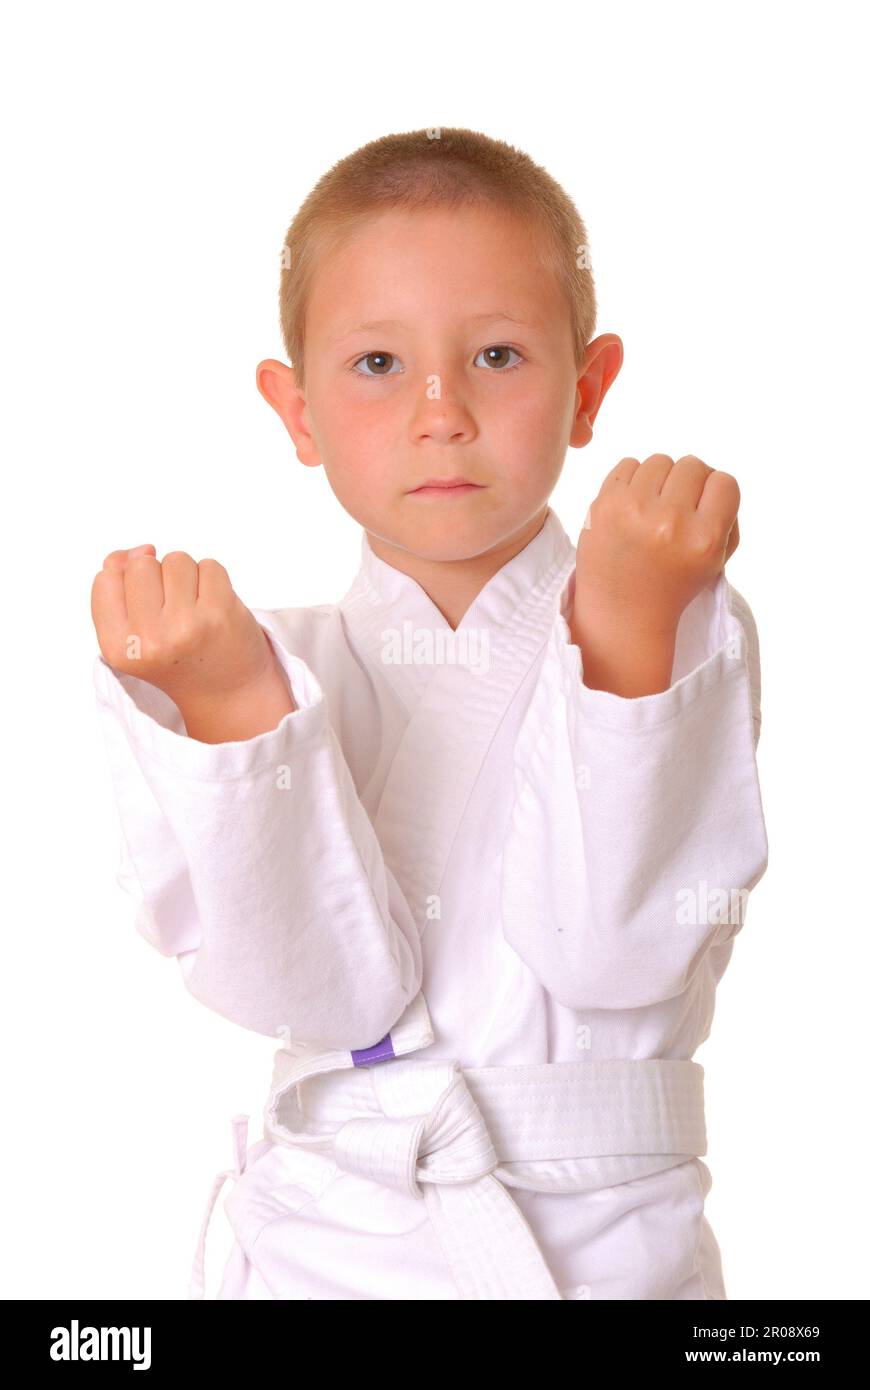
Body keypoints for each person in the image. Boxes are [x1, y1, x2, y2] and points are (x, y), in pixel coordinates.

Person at [90, 126, 768, 1300]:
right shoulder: (264, 661)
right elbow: (321, 995)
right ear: (296, 414)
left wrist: (625, 628)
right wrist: (243, 726)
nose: (441, 410)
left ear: (587, 388)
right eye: (377, 366)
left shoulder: (681, 615)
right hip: (332, 1240)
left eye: (499, 354)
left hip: (602, 1244)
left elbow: (611, 952)